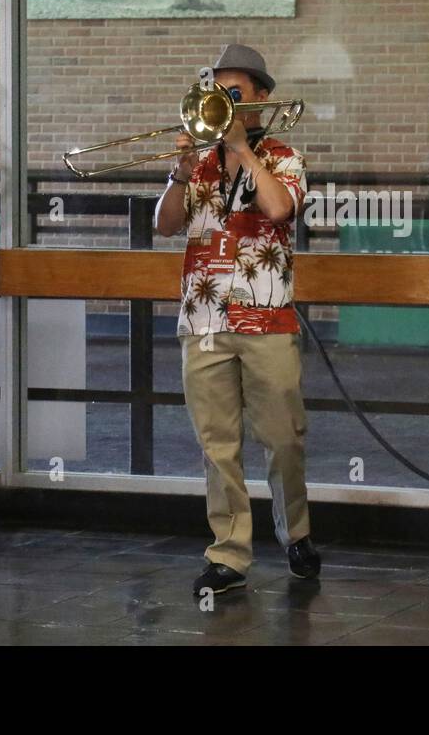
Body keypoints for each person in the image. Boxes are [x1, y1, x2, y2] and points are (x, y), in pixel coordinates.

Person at [154, 44, 320, 595]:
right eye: (216, 91)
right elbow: (165, 225)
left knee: (283, 438)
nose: (223, 100)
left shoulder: (284, 157)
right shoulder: (196, 164)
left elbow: (277, 209)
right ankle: (228, 554)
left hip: (266, 319)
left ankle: (295, 532)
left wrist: (242, 151)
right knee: (217, 444)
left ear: (261, 97)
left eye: (235, 92)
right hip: (203, 320)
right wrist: (179, 172)